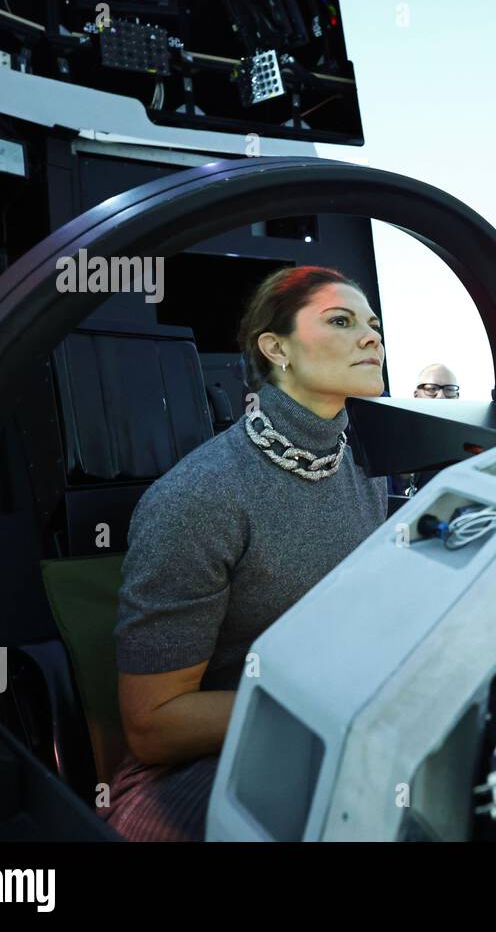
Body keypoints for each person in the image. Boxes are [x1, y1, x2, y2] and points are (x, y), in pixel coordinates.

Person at [98, 266, 388, 841]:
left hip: (335, 738)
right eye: (341, 321)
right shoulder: (201, 496)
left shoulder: (366, 471)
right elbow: (154, 726)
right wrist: (331, 710)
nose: (372, 337)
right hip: (202, 768)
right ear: (276, 347)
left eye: (374, 325)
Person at [393, 363, 461, 497]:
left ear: (457, 396)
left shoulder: (469, 443)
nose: (441, 396)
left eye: (450, 389)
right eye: (431, 389)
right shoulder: (394, 435)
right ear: (416, 395)